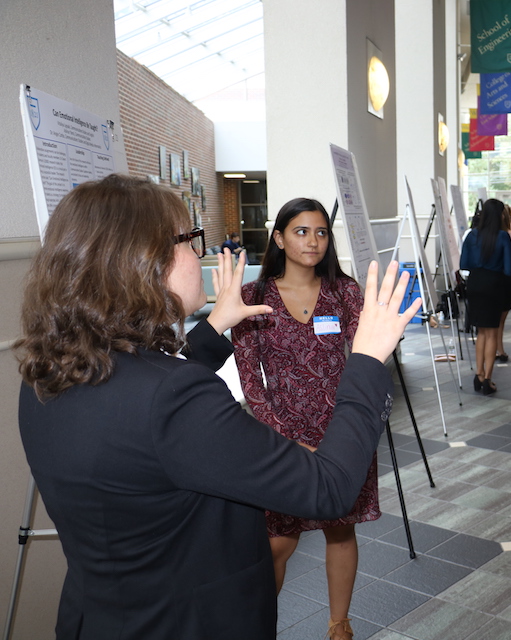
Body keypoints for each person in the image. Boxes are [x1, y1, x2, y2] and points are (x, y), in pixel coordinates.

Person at [15, 174, 419, 640]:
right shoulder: (174, 398)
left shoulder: (50, 374)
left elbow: (139, 408)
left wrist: (213, 328)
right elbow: (330, 489)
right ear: (146, 260)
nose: (200, 254)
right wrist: (366, 361)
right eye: (190, 240)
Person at [231, 198, 368, 640]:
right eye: (301, 231)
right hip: (279, 436)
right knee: (278, 541)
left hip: (339, 430)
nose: (313, 241)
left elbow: (364, 358)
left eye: (321, 232)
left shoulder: (344, 292)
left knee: (341, 530)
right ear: (279, 238)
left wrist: (356, 426)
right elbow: (250, 380)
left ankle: (339, 627)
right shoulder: (254, 297)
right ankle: (257, 628)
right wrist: (284, 438)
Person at [460, 198, 511, 395]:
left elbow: (464, 264)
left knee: (481, 332)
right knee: (491, 333)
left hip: (475, 283)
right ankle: (488, 380)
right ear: (500, 215)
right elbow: (509, 269)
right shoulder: (502, 237)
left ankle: (479, 374)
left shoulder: (471, 235)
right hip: (495, 284)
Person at [495, 205, 511, 363]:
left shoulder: (484, 236)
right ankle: (499, 348)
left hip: (493, 280)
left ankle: (495, 348)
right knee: (501, 319)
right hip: (508, 280)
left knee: (493, 320)